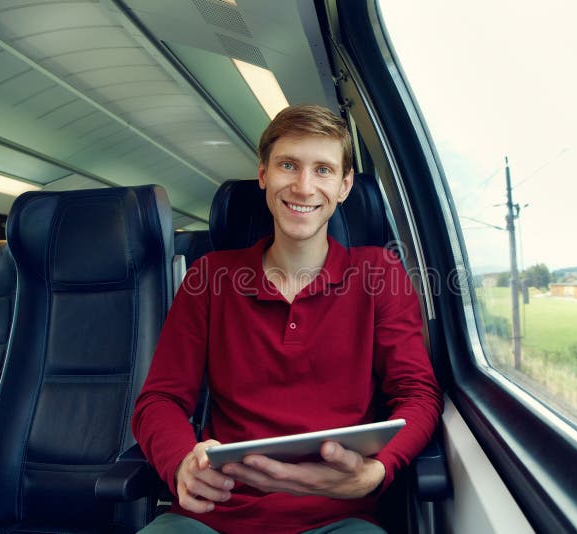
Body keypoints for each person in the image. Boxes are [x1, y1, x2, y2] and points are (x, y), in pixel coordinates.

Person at [132, 104, 443, 533]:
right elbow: (159, 400)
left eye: (323, 170)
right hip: (214, 516)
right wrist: (181, 462)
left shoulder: (380, 274)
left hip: (338, 517)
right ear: (263, 174)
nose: (303, 186)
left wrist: (378, 470)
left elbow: (417, 394)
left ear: (344, 186)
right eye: (288, 165)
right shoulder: (208, 277)